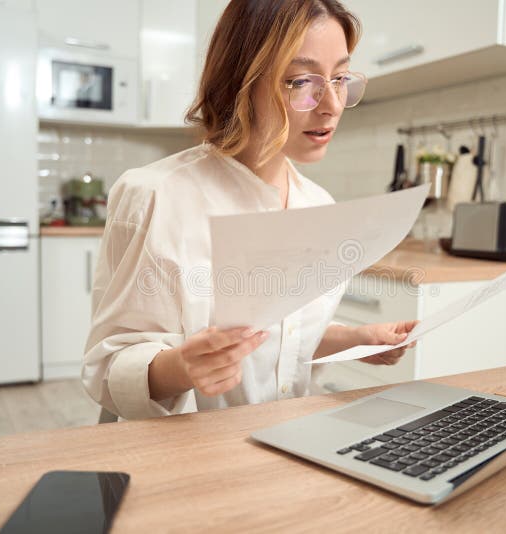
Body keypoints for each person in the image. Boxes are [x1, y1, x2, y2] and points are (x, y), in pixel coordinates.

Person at [83, 0, 418, 421]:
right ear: (239, 82)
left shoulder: (317, 204)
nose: (331, 104)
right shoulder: (156, 194)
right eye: (300, 81)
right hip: (182, 461)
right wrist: (181, 368)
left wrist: (354, 338)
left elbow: (279, 342)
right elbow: (105, 370)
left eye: (340, 78)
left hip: (289, 443)